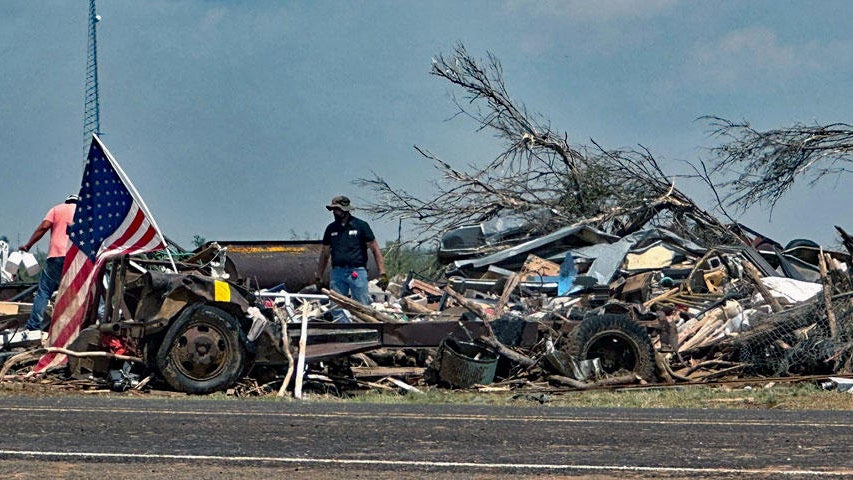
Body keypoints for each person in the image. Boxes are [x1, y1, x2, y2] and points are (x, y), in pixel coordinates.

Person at [18, 194, 78, 334]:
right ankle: (73, 328)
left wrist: (28, 245)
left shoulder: (57, 209)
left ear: (67, 201)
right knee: (75, 293)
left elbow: (44, 227)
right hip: (75, 259)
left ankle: (34, 327)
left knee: (44, 292)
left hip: (56, 257)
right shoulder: (84, 211)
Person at [315, 195, 387, 305]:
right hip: (338, 272)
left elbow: (375, 249)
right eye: (333, 209)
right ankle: (342, 322)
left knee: (362, 305)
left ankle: (362, 322)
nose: (335, 212)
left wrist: (382, 273)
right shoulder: (331, 229)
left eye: (337, 209)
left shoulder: (361, 226)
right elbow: (325, 254)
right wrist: (319, 276)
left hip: (357, 271)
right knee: (337, 306)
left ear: (345, 210)